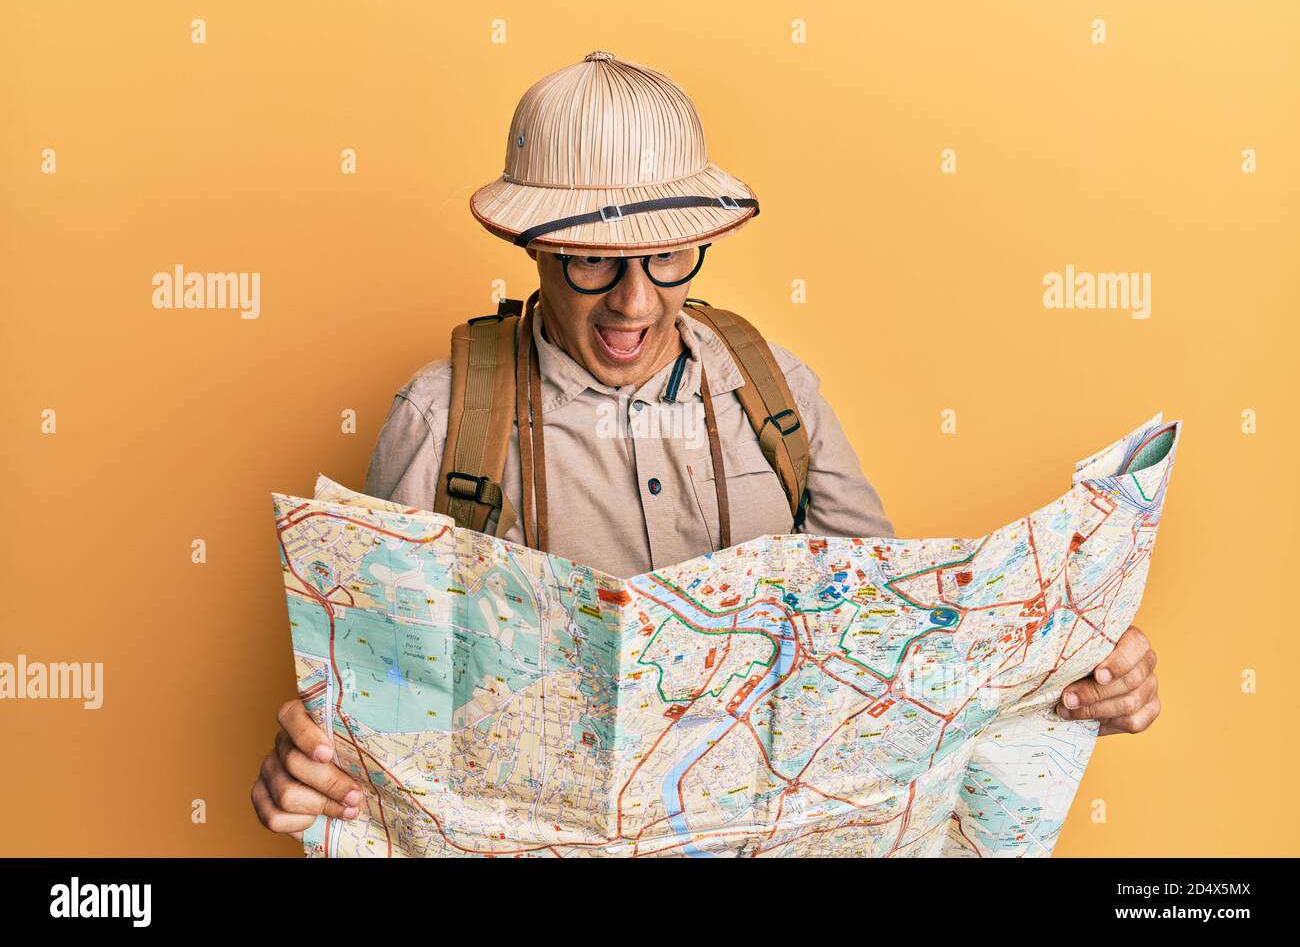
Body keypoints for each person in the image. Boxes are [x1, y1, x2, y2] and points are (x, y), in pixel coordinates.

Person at [251, 51, 1160, 840]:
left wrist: (1076, 673)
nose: (635, 303)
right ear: (534, 247)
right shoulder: (440, 420)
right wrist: (309, 774)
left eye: (668, 257)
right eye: (593, 259)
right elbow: (384, 720)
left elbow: (895, 657)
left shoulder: (777, 390)